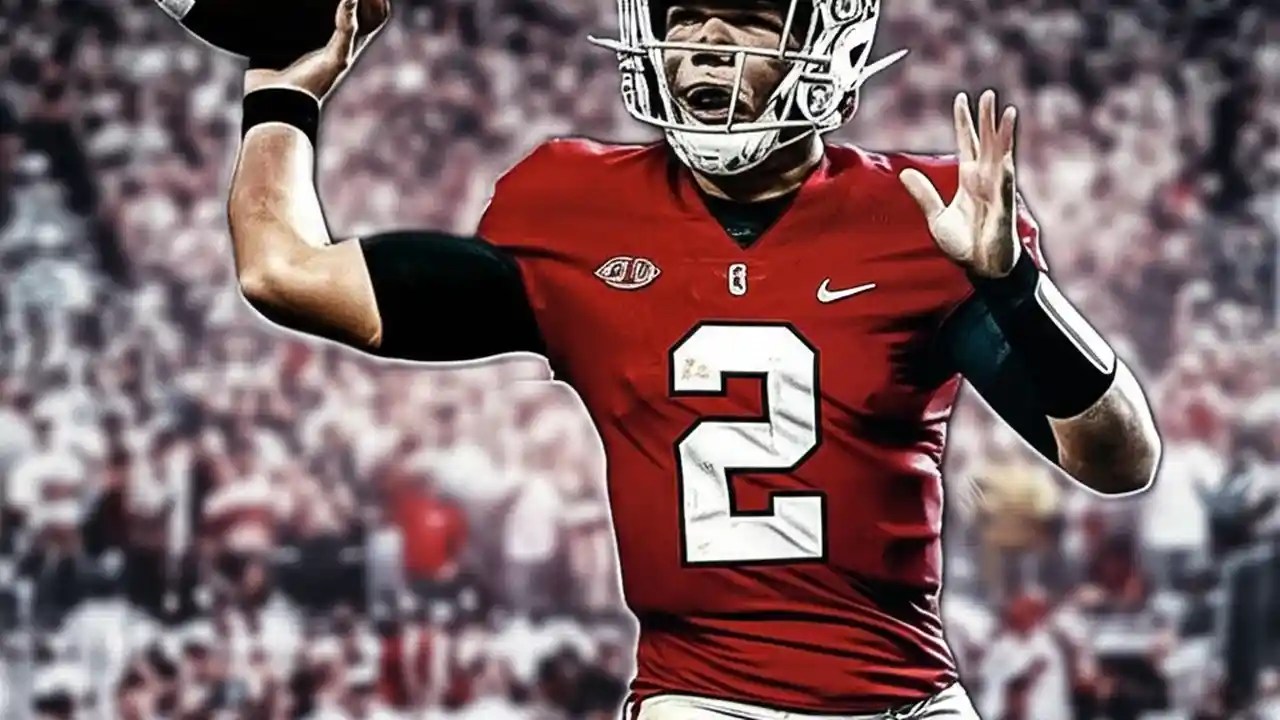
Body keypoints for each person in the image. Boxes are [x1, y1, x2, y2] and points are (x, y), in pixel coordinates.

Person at [220, 0, 1162, 716]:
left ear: (826, 40)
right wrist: (283, 92)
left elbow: (1119, 461)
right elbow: (284, 272)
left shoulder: (924, 215)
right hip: (699, 699)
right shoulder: (573, 206)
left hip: (906, 699)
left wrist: (1013, 289)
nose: (706, 40)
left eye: (745, 18)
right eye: (684, 17)